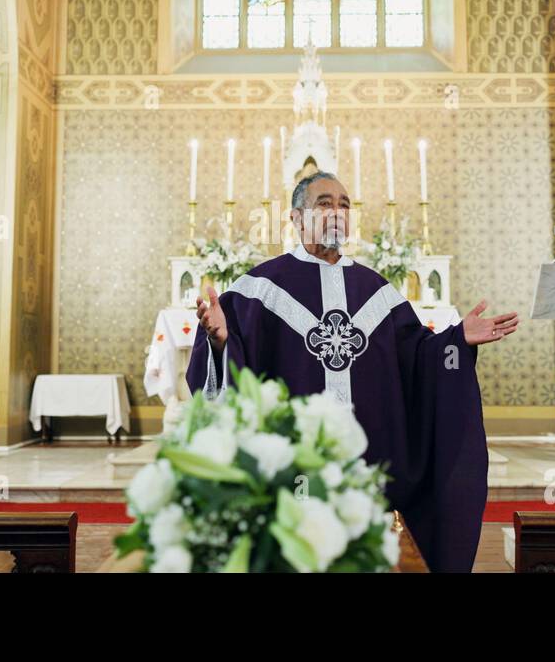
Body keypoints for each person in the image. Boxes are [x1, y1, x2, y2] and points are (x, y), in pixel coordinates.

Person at [186, 171, 518, 572]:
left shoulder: (376, 290)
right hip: (294, 476)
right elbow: (228, 382)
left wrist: (455, 341)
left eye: (344, 205)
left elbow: (416, 358)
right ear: (295, 218)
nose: (337, 212)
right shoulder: (258, 289)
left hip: (369, 468)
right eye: (324, 203)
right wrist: (221, 341)